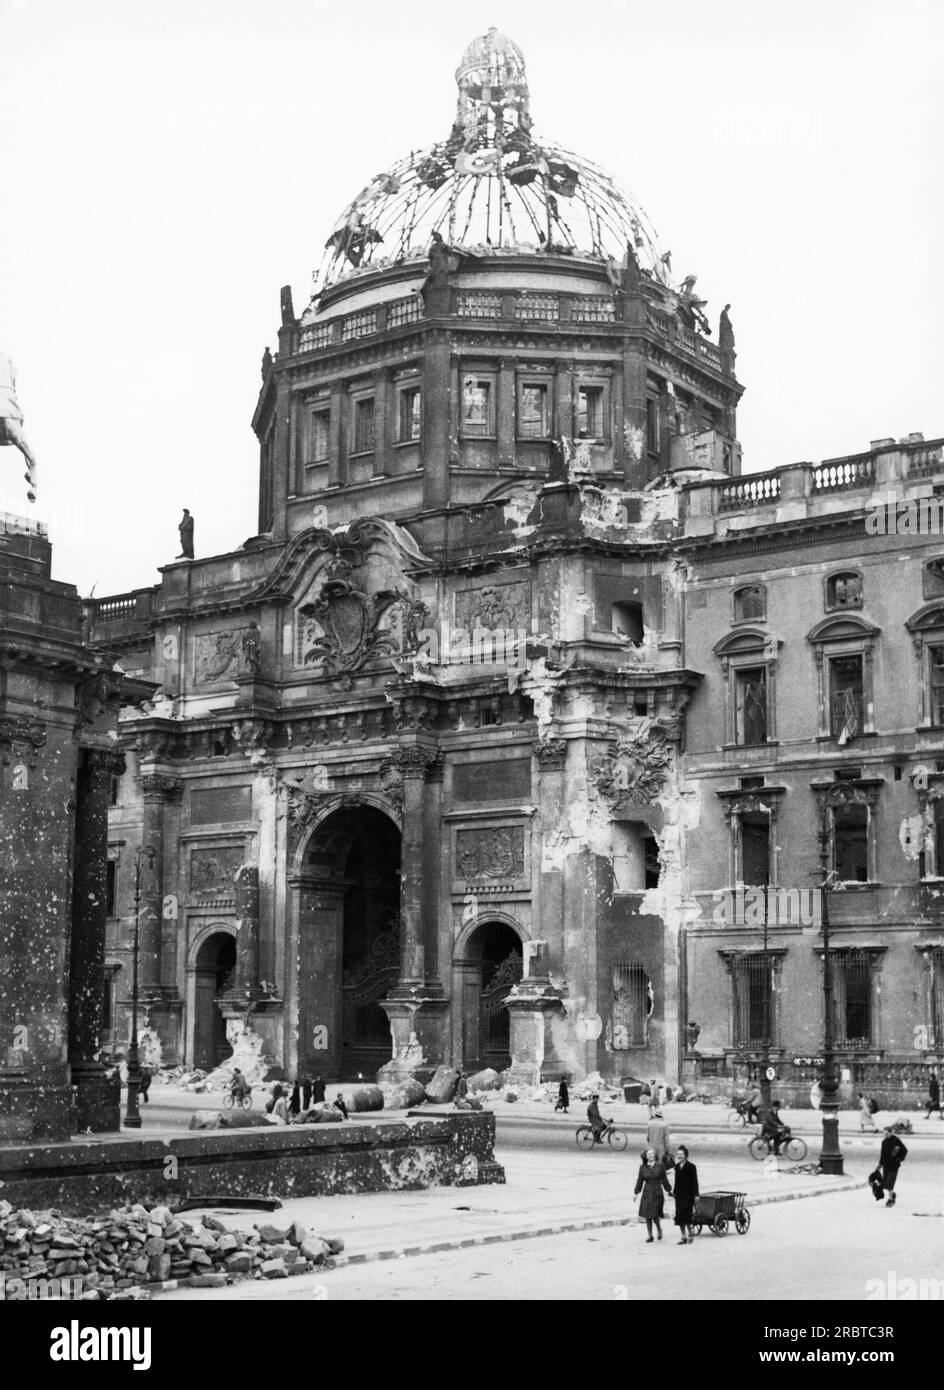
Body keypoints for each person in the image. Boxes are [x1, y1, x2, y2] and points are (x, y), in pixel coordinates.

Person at [634, 1147, 672, 1243]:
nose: (652, 1155)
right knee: (647, 1215)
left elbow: (664, 1179)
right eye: (649, 1154)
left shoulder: (660, 1166)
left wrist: (668, 1190)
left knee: (655, 1214)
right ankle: (650, 1235)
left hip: (657, 1191)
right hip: (647, 1192)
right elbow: (640, 1181)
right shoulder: (642, 1167)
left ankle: (659, 1229)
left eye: (653, 1154)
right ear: (646, 1157)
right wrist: (636, 1192)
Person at [672, 1146, 699, 1244]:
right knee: (679, 1215)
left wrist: (696, 1195)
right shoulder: (677, 1166)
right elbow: (676, 1181)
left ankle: (690, 1233)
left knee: (686, 1215)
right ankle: (683, 1236)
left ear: (686, 1156)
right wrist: (674, 1192)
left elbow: (695, 1181)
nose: (679, 1156)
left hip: (688, 1194)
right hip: (679, 1194)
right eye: (678, 1154)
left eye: (681, 1154)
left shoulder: (691, 1166)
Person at [876, 1127, 908, 1207]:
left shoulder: (896, 1140)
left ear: (891, 1133)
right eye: (884, 1134)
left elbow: (904, 1150)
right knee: (885, 1183)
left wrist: (899, 1159)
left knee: (890, 1183)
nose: (885, 1135)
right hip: (886, 1165)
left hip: (894, 1165)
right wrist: (879, 1165)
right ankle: (892, 1195)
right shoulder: (884, 1142)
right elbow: (882, 1155)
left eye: (887, 1134)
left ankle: (890, 1200)